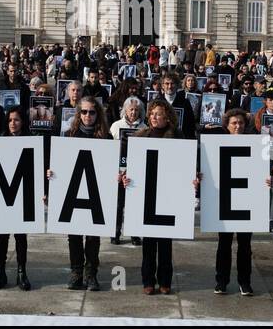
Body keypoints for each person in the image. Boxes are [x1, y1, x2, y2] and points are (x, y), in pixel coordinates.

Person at [121, 99, 195, 295]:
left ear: (167, 116)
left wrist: (192, 180)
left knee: (165, 244)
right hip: (147, 194)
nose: (154, 117)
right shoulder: (140, 136)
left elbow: (186, 165)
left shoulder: (178, 137)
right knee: (148, 244)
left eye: (158, 114)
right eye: (152, 114)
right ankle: (148, 281)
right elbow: (132, 166)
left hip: (168, 195)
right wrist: (126, 178)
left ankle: (165, 281)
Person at [50, 96, 110, 291]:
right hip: (74, 190)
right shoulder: (70, 136)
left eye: (92, 112)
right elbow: (61, 163)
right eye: (83, 112)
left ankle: (91, 273)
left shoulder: (106, 138)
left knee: (93, 236)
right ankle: (76, 271)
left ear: (97, 114)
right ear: (78, 114)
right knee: (74, 235)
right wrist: (53, 172)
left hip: (95, 191)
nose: (87, 116)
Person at [202, 108, 257, 296]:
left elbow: (261, 170)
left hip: (246, 199)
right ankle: (221, 281)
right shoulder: (217, 144)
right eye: (234, 123)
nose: (238, 126)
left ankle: (245, 282)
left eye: (241, 123)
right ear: (227, 125)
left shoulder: (254, 144)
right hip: (225, 198)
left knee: (245, 245)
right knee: (224, 243)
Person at [0, 109, 32, 291]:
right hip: (3, 192)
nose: (13, 123)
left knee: (21, 236)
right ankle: (1, 270)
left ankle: (22, 271)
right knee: (3, 235)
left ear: (23, 122)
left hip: (23, 192)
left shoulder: (31, 141)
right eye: (10, 120)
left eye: (17, 120)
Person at [109, 96, 145, 246]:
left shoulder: (145, 128)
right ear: (125, 110)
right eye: (131, 109)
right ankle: (115, 232)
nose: (133, 112)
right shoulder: (116, 126)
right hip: (118, 170)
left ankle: (134, 234)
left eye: (137, 110)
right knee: (118, 204)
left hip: (137, 171)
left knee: (135, 204)